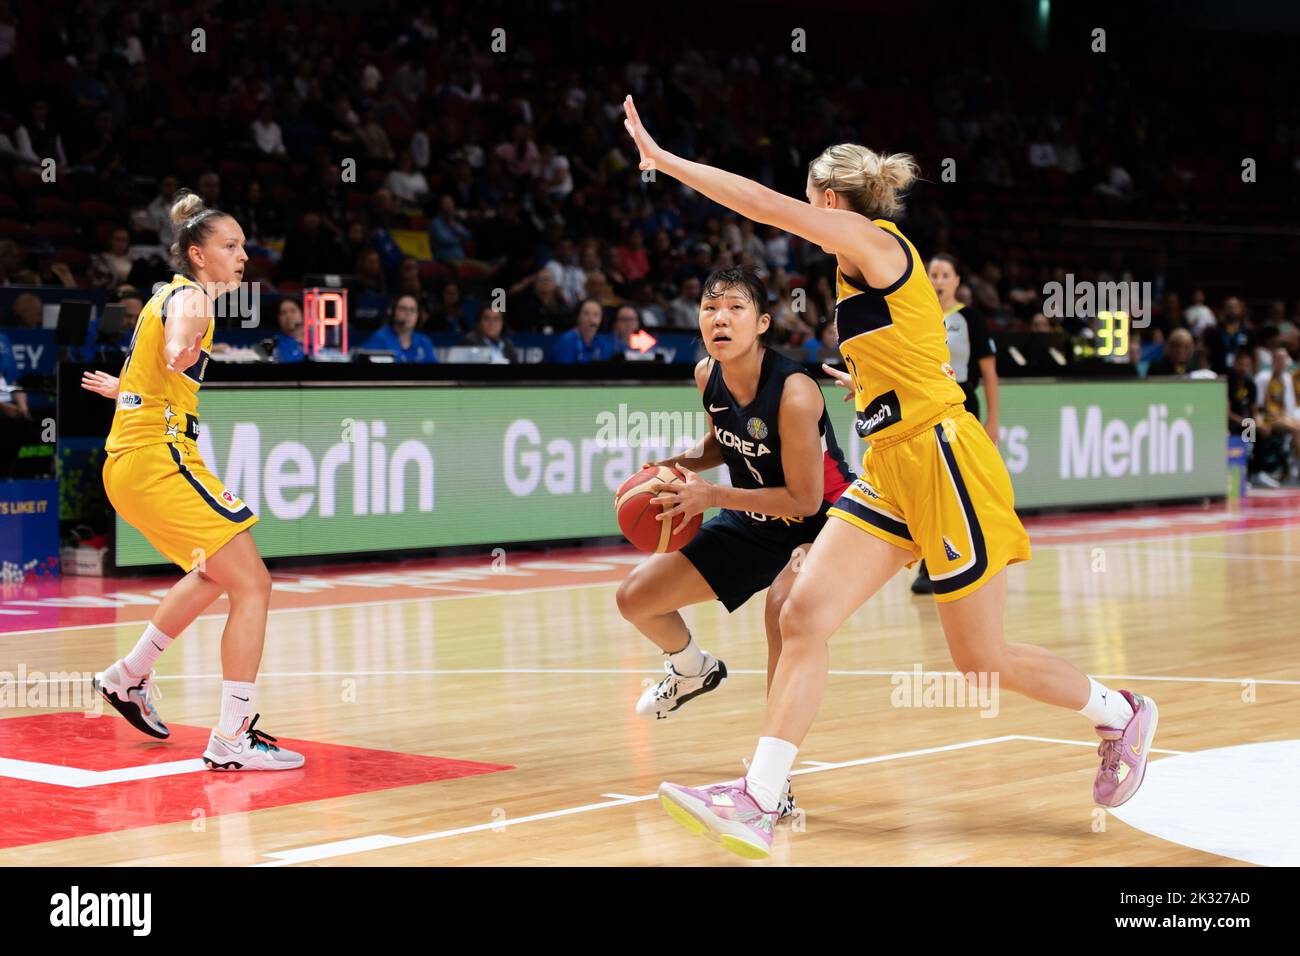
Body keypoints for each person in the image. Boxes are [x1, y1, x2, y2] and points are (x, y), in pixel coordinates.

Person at [621, 97, 1158, 859]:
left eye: (812, 203)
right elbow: (911, 350)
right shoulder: (865, 271)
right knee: (802, 614)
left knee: (980, 659)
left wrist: (666, 161)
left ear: (829, 201)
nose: (805, 214)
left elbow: (761, 204)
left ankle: (1119, 711)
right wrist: (869, 383)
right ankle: (758, 798)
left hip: (942, 462)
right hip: (891, 466)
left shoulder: (867, 239)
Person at [616, 267, 855, 819]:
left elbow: (801, 499)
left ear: (762, 322)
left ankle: (772, 782)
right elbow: (723, 441)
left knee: (783, 612)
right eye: (709, 307)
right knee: (635, 598)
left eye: (735, 308)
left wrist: (712, 497)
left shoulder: (795, 393)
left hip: (822, 521)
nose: (719, 317)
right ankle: (693, 668)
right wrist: (673, 468)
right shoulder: (708, 374)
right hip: (751, 516)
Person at [79, 188, 304, 771]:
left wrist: (129, 386)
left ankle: (127, 677)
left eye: (244, 247)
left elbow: (150, 371)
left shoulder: (166, 296)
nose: (243, 257)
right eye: (230, 246)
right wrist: (181, 351)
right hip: (158, 457)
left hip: (130, 461)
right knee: (253, 584)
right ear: (198, 255)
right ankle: (232, 738)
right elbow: (180, 338)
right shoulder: (192, 300)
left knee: (212, 572)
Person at [912, 253, 1000, 594]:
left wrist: (992, 421)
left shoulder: (970, 319)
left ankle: (942, 565)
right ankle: (937, 562)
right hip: (924, 407)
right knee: (932, 487)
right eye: (933, 274)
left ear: (957, 281)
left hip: (961, 409)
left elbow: (990, 373)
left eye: (944, 274)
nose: (937, 280)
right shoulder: (916, 315)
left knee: (956, 487)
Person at [362, 293, 437, 362]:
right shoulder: (379, 339)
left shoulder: (423, 341)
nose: (408, 313)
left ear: (418, 316)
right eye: (403, 309)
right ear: (393, 312)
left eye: (412, 310)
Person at [553, 299, 615, 363]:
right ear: (578, 317)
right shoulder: (567, 340)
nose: (591, 319)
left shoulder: (602, 343)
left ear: (601, 319)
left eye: (596, 315)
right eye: (586, 314)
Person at [272, 297, 307, 363]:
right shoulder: (274, 344)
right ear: (278, 319)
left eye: (293, 311)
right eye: (283, 313)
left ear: (303, 314)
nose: (288, 316)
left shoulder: (318, 340)